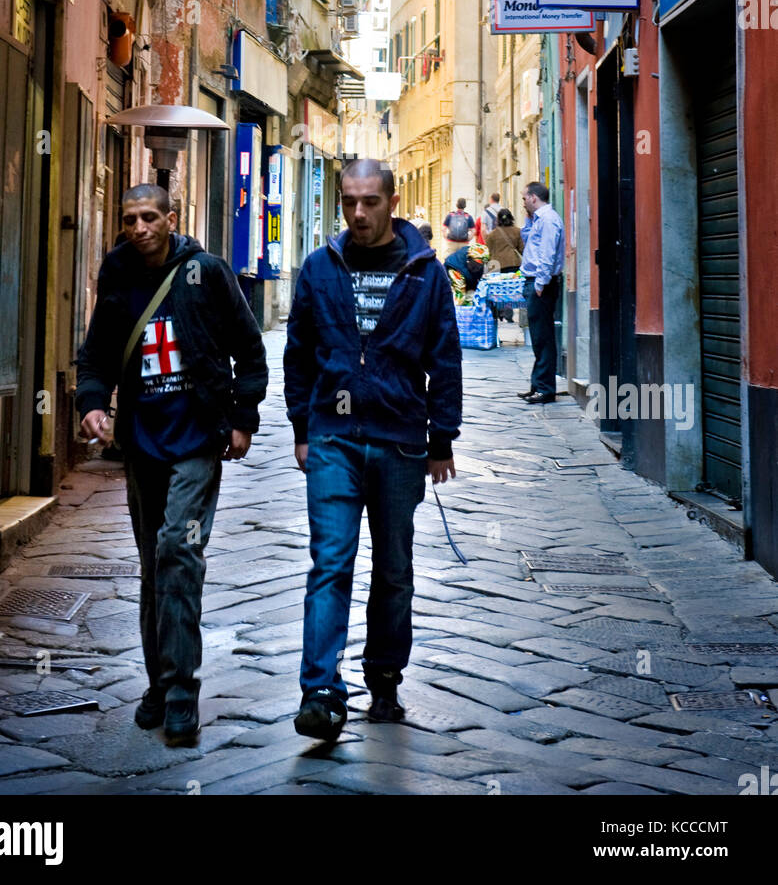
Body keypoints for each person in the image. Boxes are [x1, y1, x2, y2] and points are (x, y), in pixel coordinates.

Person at [76, 185, 268, 747]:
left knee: (177, 553)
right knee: (151, 565)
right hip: (142, 443)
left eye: (149, 217)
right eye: (129, 218)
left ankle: (182, 695)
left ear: (171, 219)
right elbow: (98, 352)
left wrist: (242, 418)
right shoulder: (116, 274)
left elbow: (249, 349)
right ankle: (159, 687)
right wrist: (91, 402)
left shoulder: (205, 272)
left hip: (196, 441)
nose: (138, 228)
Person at [284, 158, 462, 741]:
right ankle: (320, 691)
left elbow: (445, 360)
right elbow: (298, 353)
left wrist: (442, 440)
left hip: (400, 442)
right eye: (349, 202)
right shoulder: (318, 267)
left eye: (370, 202)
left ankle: (383, 678)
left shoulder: (425, 273)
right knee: (330, 562)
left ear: (392, 202)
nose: (358, 214)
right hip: (333, 439)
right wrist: (301, 428)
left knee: (393, 569)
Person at [517, 182, 565, 405]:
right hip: (537, 282)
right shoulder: (540, 219)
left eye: (525, 197)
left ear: (534, 198)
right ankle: (538, 384)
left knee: (543, 337)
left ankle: (545, 389)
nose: (523, 201)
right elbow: (529, 241)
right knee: (538, 336)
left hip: (541, 284)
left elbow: (546, 253)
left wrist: (540, 283)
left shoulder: (547, 220)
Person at [485, 208, 524, 324]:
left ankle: (500, 311)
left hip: (497, 265)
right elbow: (522, 249)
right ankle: (509, 312)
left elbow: (488, 251)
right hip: (513, 263)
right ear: (511, 218)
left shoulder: (492, 235)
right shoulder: (517, 232)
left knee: (499, 290)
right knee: (511, 289)